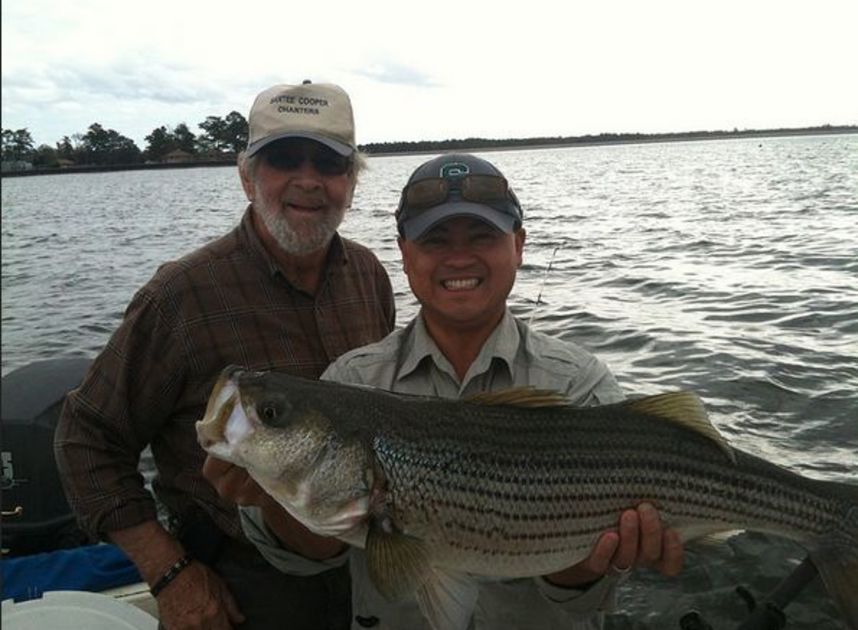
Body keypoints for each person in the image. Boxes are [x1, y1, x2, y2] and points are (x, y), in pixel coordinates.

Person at [204, 153, 684, 629]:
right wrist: (272, 500)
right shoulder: (353, 380)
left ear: (518, 245)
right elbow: (311, 557)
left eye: (482, 236)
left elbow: (585, 600)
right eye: (434, 239)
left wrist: (587, 560)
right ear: (405, 253)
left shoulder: (579, 382)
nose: (459, 257)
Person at [54, 81, 396, 630]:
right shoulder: (181, 295)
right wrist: (170, 573)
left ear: (351, 183)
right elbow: (85, 437)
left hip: (360, 568)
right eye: (284, 159)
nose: (309, 179)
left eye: (330, 163)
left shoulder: (369, 276)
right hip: (239, 587)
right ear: (246, 177)